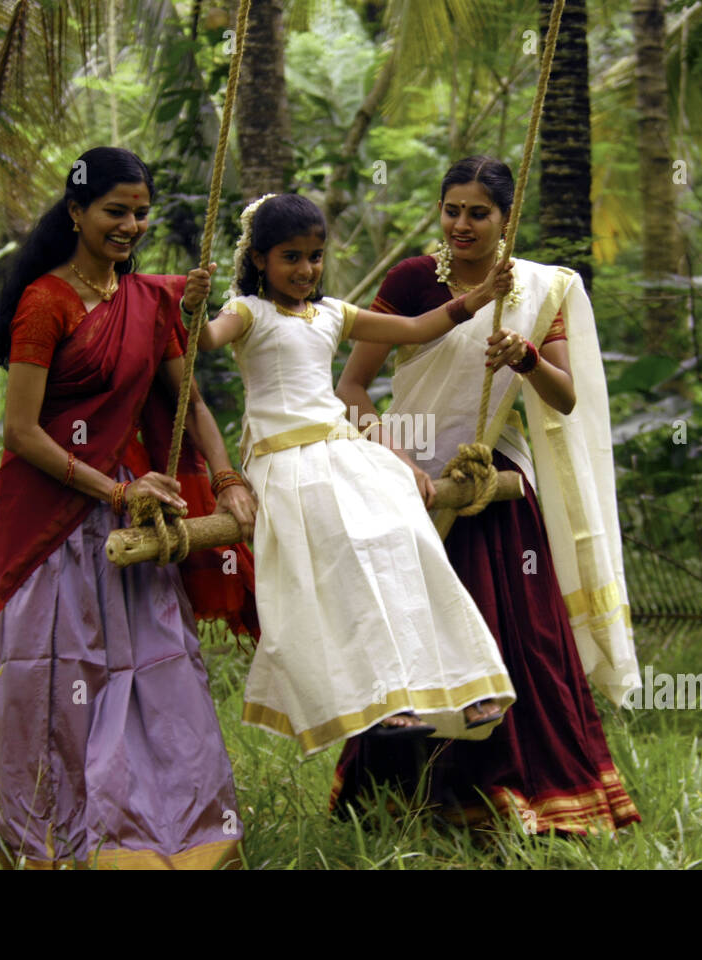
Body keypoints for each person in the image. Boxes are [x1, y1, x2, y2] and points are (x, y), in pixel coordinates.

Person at [330, 156, 642, 835]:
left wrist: (526, 357)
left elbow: (564, 396)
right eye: (452, 210)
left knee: (517, 640)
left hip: (497, 485)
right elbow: (351, 389)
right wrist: (392, 455)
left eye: (479, 213)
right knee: (418, 640)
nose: (462, 225)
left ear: (506, 219)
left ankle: (523, 797)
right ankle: (405, 801)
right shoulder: (413, 281)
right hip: (416, 485)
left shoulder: (535, 290)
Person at [0, 146, 256, 869]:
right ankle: (58, 838)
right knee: (57, 675)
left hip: (135, 516)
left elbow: (187, 398)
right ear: (76, 212)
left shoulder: (150, 301)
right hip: (52, 517)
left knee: (155, 669)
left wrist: (227, 478)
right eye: (115, 210)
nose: (131, 223)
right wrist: (112, 489)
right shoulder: (46, 302)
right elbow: (20, 430)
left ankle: (173, 832)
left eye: (140, 211)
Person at [189, 192, 517, 758]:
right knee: (343, 553)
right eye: (290, 257)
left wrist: (480, 299)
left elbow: (415, 328)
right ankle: (378, 698)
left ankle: (460, 683)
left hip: (344, 451)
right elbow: (205, 341)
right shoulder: (248, 312)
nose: (306, 269)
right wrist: (191, 309)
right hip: (285, 459)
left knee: (406, 538)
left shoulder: (333, 313)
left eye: (315, 256)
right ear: (260, 259)